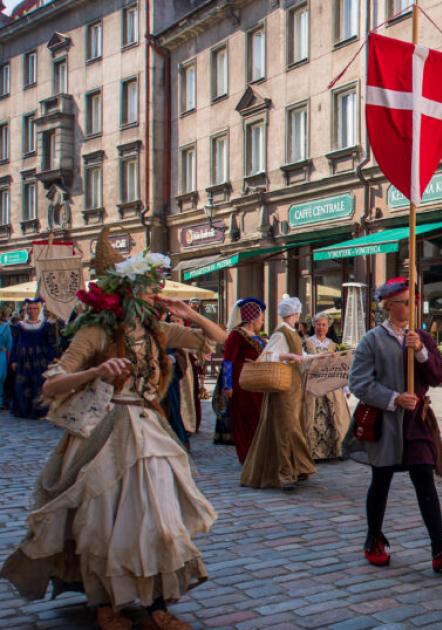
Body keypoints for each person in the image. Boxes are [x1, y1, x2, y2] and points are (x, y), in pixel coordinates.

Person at [0, 234, 227, 630]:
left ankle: (159, 603)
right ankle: (104, 601)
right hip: (103, 436)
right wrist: (97, 371)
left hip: (151, 433)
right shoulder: (96, 333)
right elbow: (52, 384)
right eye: (148, 291)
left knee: (160, 519)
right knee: (102, 522)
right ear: (126, 294)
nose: (155, 297)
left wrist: (188, 314)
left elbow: (225, 341)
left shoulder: (159, 331)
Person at [346, 277, 442, 570]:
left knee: (424, 478)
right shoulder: (373, 340)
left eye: (412, 301)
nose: (410, 306)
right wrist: (392, 398)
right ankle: (374, 538)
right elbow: (359, 382)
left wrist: (420, 352)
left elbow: (438, 375)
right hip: (386, 423)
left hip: (416, 422)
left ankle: (440, 548)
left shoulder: (420, 337)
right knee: (380, 481)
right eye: (404, 302)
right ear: (389, 306)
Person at [240, 296, 318, 489]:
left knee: (295, 426)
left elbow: (299, 354)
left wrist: (316, 357)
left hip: (294, 386)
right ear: (295, 313)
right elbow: (267, 356)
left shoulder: (292, 332)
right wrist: (289, 356)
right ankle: (284, 473)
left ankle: (298, 467)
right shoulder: (281, 332)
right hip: (283, 386)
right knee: (286, 428)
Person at [222, 298, 267, 463]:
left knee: (256, 416)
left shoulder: (256, 336)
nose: (262, 322)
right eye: (261, 319)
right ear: (253, 319)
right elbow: (228, 360)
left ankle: (257, 452)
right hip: (241, 383)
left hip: (256, 383)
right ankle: (246, 454)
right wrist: (228, 385)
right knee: (244, 418)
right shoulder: (236, 335)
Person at [302, 314, 351, 461]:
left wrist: (345, 387)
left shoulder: (333, 345)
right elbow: (303, 362)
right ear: (313, 325)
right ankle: (310, 451)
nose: (321, 327)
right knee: (310, 415)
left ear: (328, 326)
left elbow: (339, 367)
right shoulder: (307, 343)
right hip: (313, 383)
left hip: (330, 385)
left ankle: (335, 450)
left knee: (335, 414)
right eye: (318, 324)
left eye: (323, 325)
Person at [10, 297, 59, 419]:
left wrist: (53, 358)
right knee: (23, 385)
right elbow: (15, 344)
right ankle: (25, 410)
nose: (32, 311)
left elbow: (50, 344)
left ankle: (41, 411)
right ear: (27, 310)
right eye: (30, 309)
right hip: (24, 361)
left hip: (40, 361)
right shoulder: (19, 326)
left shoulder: (46, 326)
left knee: (40, 386)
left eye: (35, 308)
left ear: (39, 310)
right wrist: (14, 360)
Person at [0, 309, 12, 410]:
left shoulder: (6, 327)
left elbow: (9, 342)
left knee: (1, 376)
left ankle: (1, 400)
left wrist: (8, 352)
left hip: (2, 354)